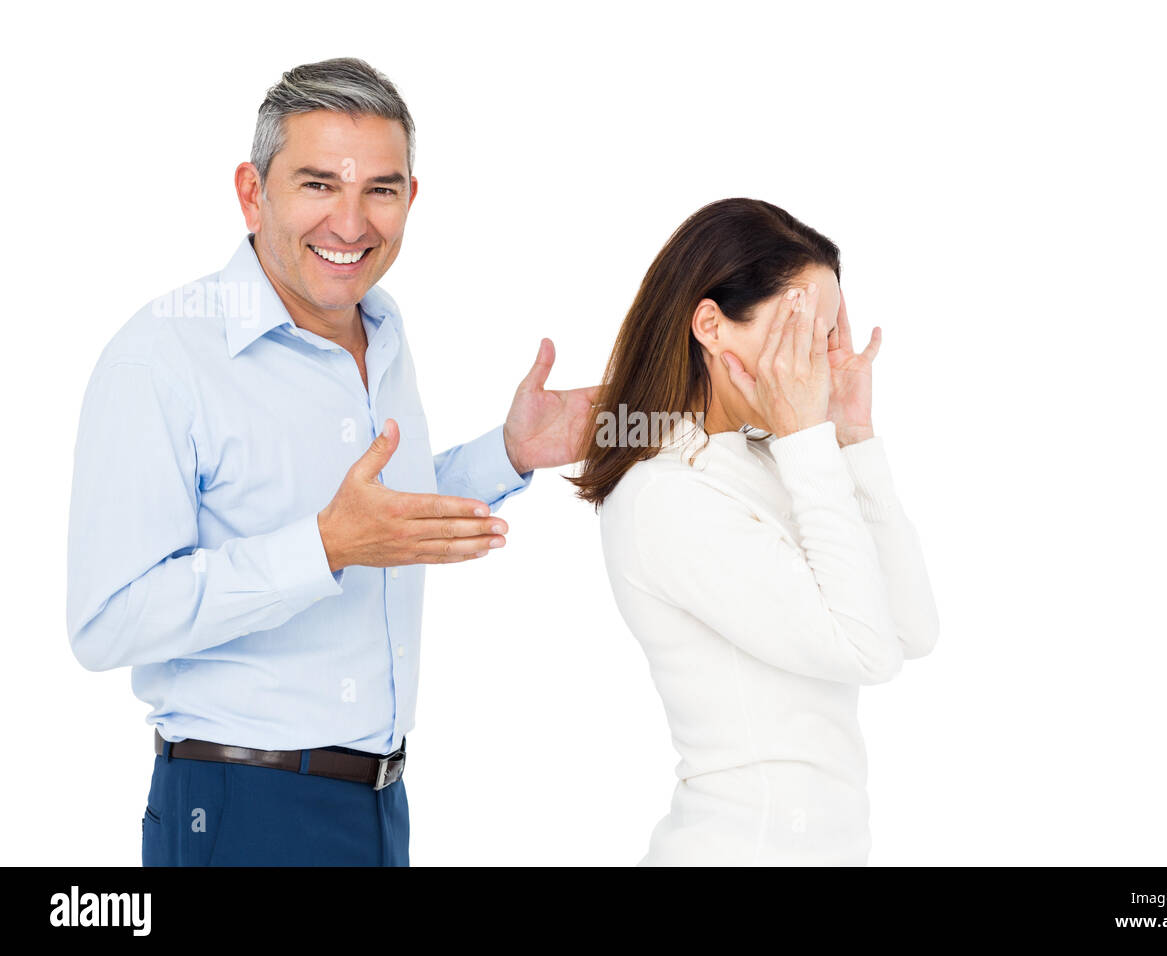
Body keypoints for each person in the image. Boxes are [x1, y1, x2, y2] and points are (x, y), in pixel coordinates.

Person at [66, 57, 598, 866]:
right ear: (253, 192)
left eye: (381, 189)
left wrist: (510, 451)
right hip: (240, 808)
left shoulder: (381, 328)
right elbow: (107, 622)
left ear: (411, 198)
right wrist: (323, 547)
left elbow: (380, 517)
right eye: (319, 185)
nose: (351, 224)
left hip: (378, 804)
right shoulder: (163, 359)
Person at [572, 198, 940, 865]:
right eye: (798, 333)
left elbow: (913, 630)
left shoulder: (774, 459)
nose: (816, 362)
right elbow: (868, 653)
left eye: (825, 337)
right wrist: (808, 439)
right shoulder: (665, 495)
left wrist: (852, 436)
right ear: (711, 325)